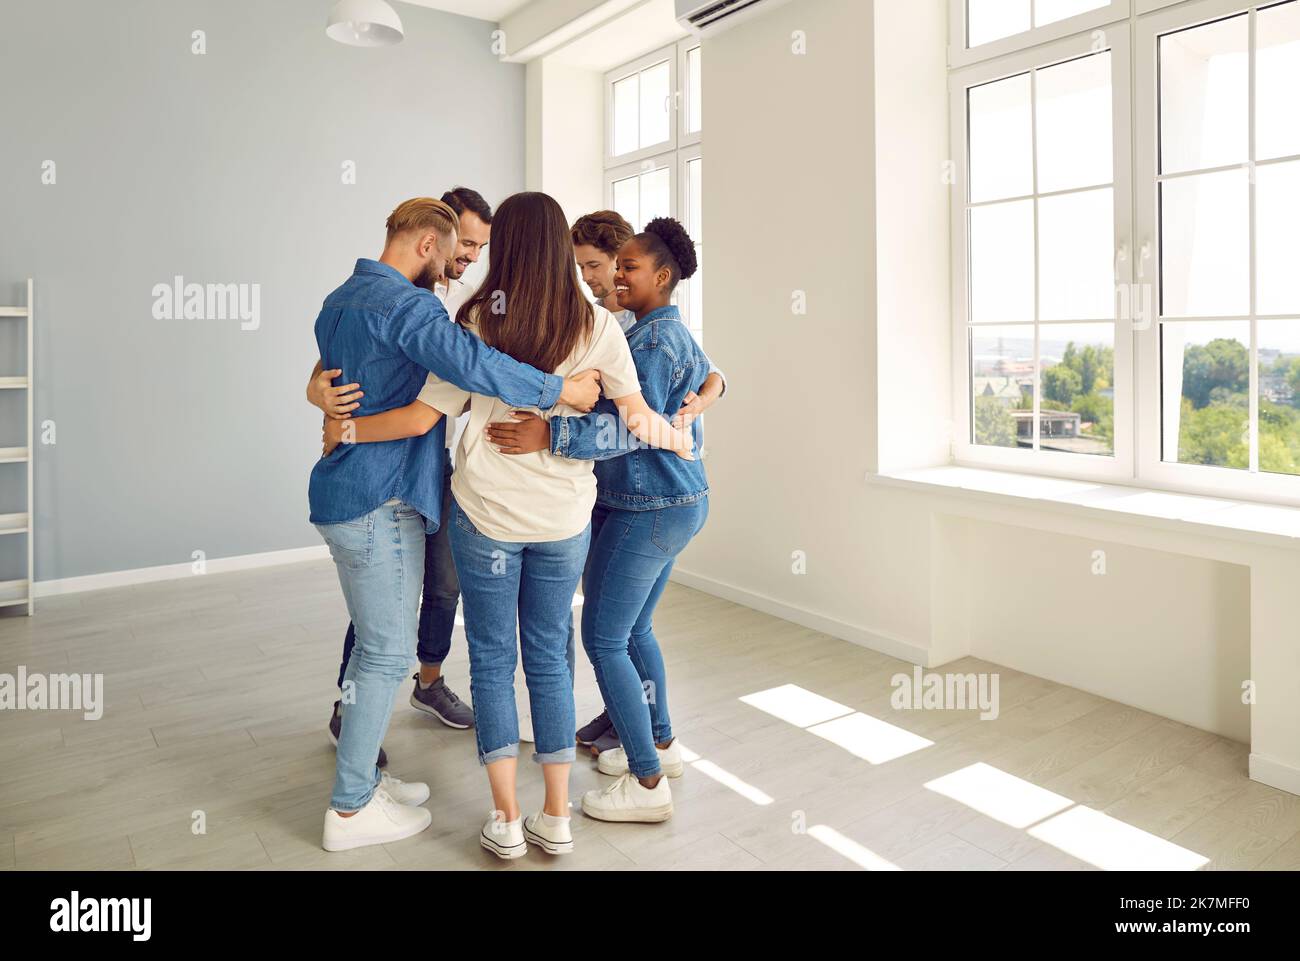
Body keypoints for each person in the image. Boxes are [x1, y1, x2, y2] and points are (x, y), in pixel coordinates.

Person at [327, 192, 695, 858]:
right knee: (550, 659)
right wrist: (677, 436)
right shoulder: (599, 327)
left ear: (508, 250)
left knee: (494, 662)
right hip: (562, 523)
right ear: (558, 248)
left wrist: (342, 424)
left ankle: (504, 817)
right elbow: (634, 417)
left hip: (485, 519)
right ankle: (556, 815)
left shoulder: (473, 319)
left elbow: (418, 417)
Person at [485, 217, 711, 823]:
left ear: (661, 277)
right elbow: (710, 378)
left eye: (625, 268)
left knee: (604, 638)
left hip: (654, 504)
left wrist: (548, 431)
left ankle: (647, 783)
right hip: (669, 502)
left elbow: (627, 431)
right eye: (610, 267)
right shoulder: (655, 330)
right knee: (634, 632)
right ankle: (661, 743)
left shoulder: (651, 342)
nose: (612, 277)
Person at [308, 187, 493, 755]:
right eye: (464, 244)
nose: (468, 258)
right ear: (433, 237)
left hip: (455, 466)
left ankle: (428, 684)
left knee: (441, 588)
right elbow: (344, 366)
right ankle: (353, 710)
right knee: (384, 605)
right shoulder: (410, 298)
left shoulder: (479, 299)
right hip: (404, 463)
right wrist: (319, 394)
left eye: (480, 248)